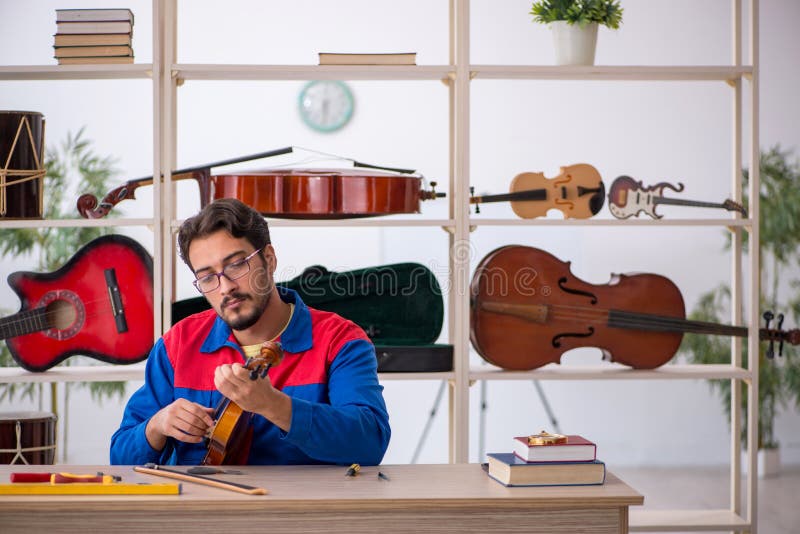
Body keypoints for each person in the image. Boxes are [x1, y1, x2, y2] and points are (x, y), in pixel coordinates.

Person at [110, 198, 391, 465]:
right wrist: (157, 426)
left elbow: (370, 442)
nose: (225, 287)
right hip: (203, 513)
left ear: (269, 259)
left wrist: (274, 405)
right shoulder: (176, 345)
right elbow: (120, 457)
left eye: (236, 265)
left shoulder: (340, 341)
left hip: (304, 512)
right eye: (207, 277)